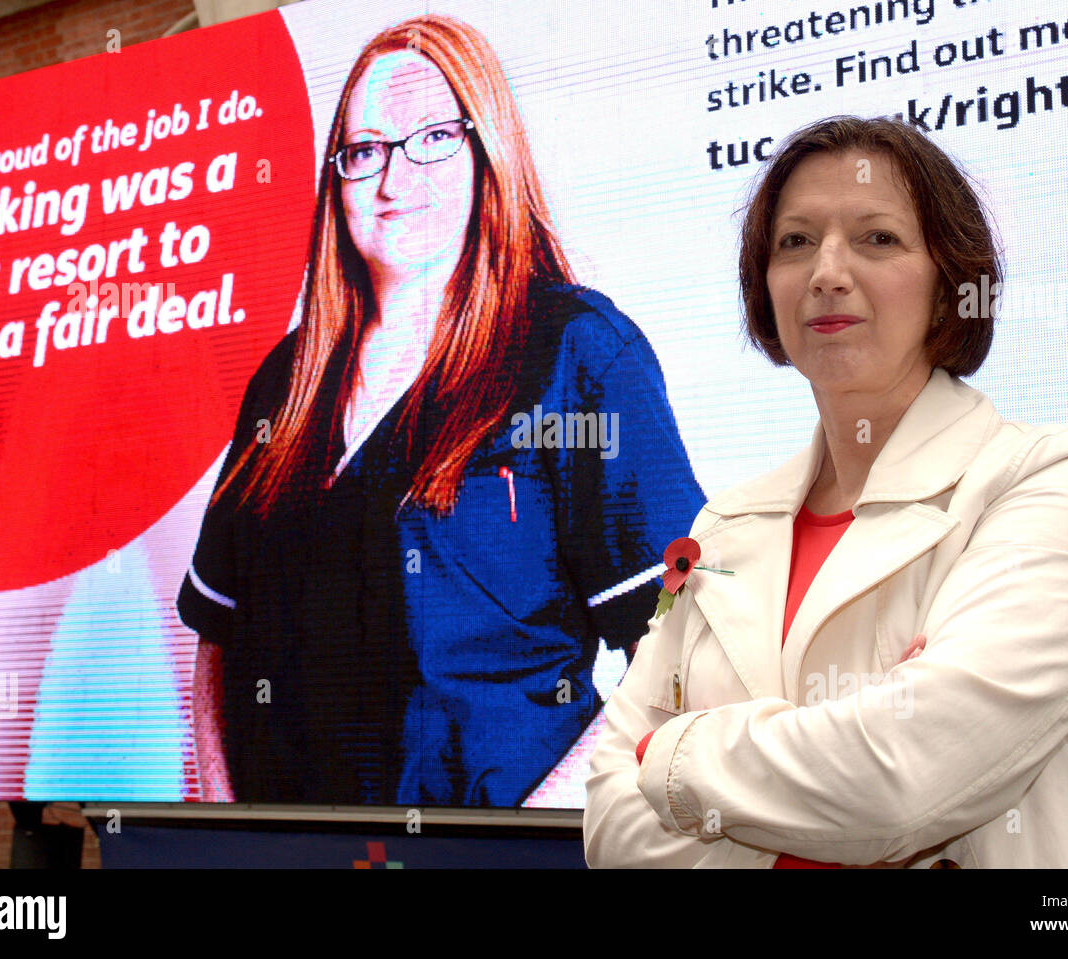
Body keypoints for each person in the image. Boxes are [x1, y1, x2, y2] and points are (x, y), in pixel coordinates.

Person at [177, 15, 704, 805]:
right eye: (364, 151)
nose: (393, 180)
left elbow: (684, 644)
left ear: (486, 148)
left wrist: (524, 836)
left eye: (432, 138)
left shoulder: (577, 353)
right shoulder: (285, 383)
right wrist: (223, 819)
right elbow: (218, 641)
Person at [583, 115, 1068, 868]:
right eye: (795, 241)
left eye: (877, 238)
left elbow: (907, 781)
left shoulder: (1050, 479)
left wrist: (675, 757)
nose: (826, 272)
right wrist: (840, 771)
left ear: (949, 286)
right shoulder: (721, 528)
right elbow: (612, 825)